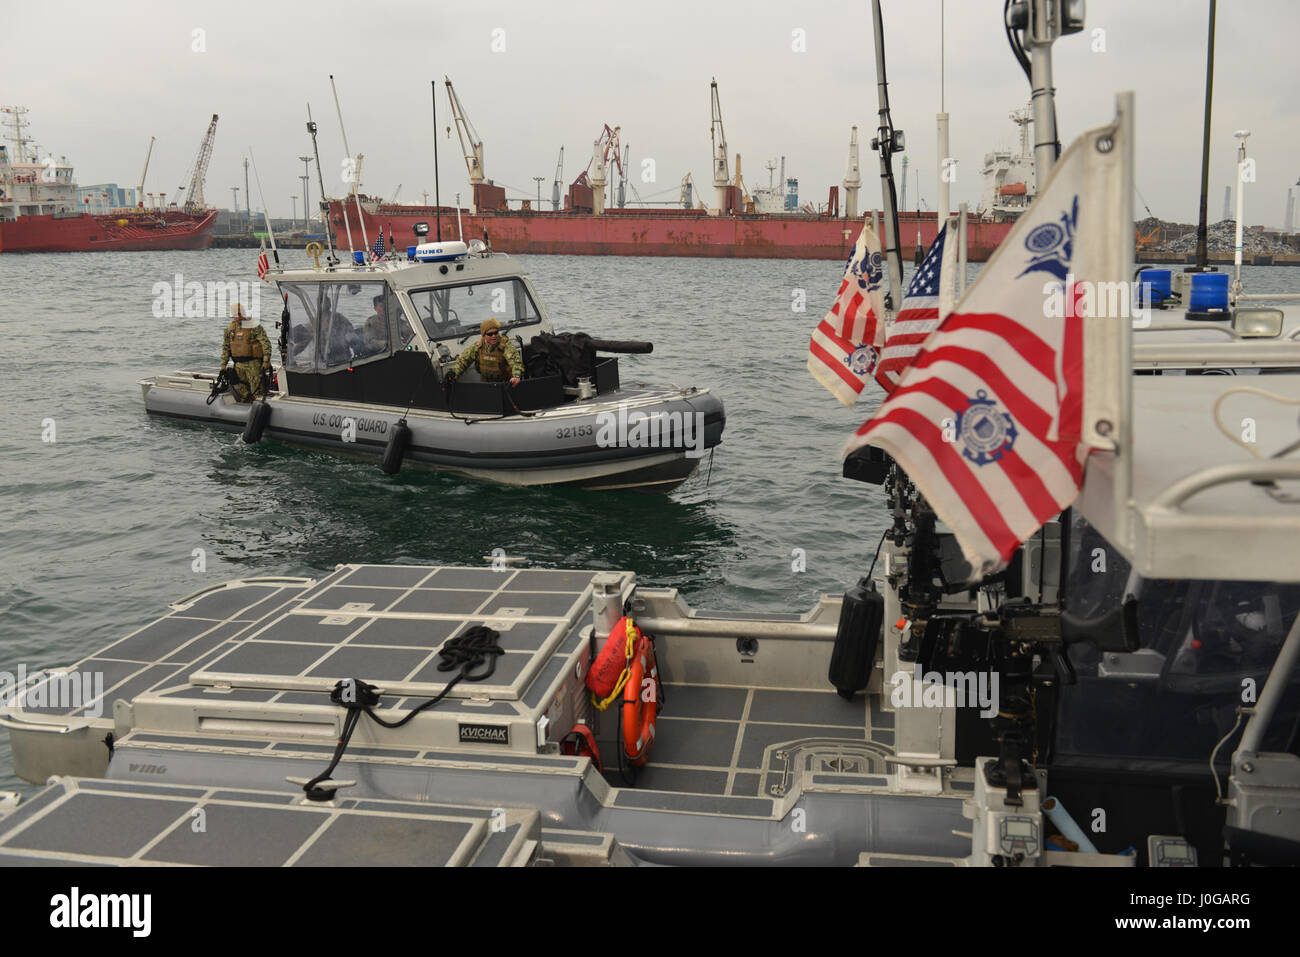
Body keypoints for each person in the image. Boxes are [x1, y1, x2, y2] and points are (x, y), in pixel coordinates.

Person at [220, 303, 272, 402]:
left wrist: (266, 360)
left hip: (253, 365)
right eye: (235, 314)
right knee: (243, 393)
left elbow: (265, 343)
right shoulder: (229, 330)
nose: (238, 317)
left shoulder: (254, 326)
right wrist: (223, 364)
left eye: (239, 314)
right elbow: (226, 348)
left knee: (257, 391)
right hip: (238, 365)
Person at [451, 317, 522, 386]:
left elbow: (516, 361)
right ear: (484, 335)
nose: (494, 336)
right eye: (490, 334)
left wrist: (516, 376)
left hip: (505, 384)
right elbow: (463, 360)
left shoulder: (505, 345)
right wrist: (454, 374)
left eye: (496, 333)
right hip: (486, 385)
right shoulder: (478, 346)